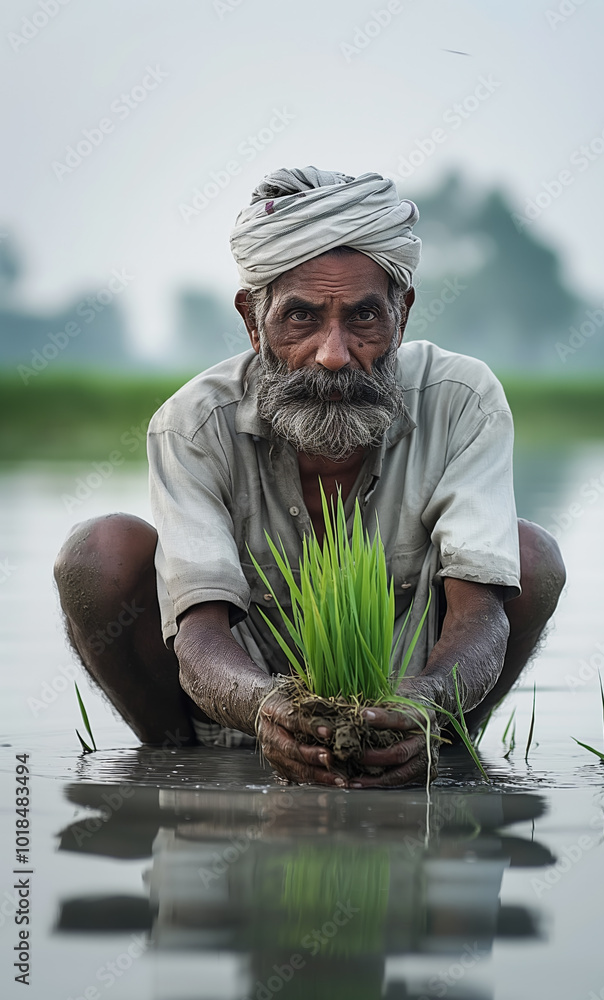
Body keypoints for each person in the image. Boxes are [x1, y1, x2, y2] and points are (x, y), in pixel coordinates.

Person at [54, 167, 565, 788]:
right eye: (300, 318)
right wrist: (265, 706)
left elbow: (481, 614)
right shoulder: (192, 426)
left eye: (363, 318)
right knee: (98, 552)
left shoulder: (463, 402)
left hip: (414, 698)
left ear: (402, 315)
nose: (333, 353)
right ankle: (177, 763)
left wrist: (424, 706)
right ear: (252, 319)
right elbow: (199, 633)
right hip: (236, 710)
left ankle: (437, 758)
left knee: (531, 553)